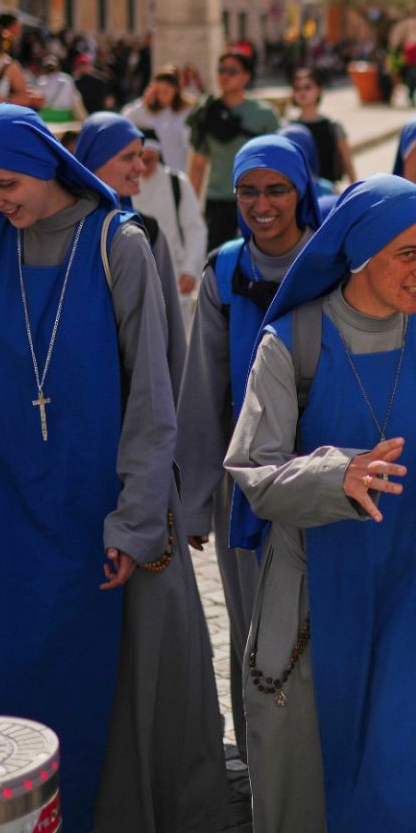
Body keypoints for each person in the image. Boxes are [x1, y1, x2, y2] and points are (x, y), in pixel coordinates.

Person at [0, 105, 224, 833]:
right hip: (7, 510)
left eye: (6, 183)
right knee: (3, 675)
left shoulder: (117, 244)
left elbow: (153, 399)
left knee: (111, 687)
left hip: (100, 510)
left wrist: (135, 521)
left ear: (45, 166)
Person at [223, 175, 416, 833]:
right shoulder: (292, 341)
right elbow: (254, 470)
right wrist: (338, 477)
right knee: (313, 774)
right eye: (407, 254)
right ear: (358, 254)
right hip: (317, 595)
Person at [174, 132, 318, 758]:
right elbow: (203, 388)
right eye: (248, 191)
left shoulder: (330, 261)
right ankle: (265, 754)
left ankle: (321, 752)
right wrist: (193, 498)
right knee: (252, 623)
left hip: (323, 475)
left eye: (276, 190)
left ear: (300, 191)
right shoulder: (226, 270)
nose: (262, 205)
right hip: (246, 484)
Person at [74, 114, 187, 393]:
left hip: (134, 389)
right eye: (128, 157)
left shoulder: (145, 231)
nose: (140, 166)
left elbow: (169, 326)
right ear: (95, 161)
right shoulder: (64, 230)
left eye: (140, 155)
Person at [187, 51, 281, 251]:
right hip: (217, 199)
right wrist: (191, 207)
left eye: (232, 71)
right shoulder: (207, 111)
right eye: (221, 70)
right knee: (218, 260)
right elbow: (199, 163)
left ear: (246, 76)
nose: (225, 76)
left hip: (257, 199)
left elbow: (277, 161)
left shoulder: (265, 114)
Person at [130, 131, 208, 308]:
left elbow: (195, 229)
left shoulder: (177, 183)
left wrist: (190, 270)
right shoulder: (123, 185)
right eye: (141, 159)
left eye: (150, 160)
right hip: (135, 280)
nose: (144, 166)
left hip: (175, 278)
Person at [287, 66, 355, 183]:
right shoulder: (288, 129)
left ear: (319, 90)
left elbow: (348, 163)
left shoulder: (333, 126)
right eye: (297, 88)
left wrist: (354, 189)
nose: (302, 92)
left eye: (307, 87)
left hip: (329, 190)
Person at [122, 65, 193, 173]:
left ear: (176, 89)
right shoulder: (148, 112)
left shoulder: (187, 111)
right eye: (159, 91)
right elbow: (124, 120)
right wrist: (144, 101)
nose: (162, 95)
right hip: (156, 173)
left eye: (166, 91)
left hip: (179, 172)